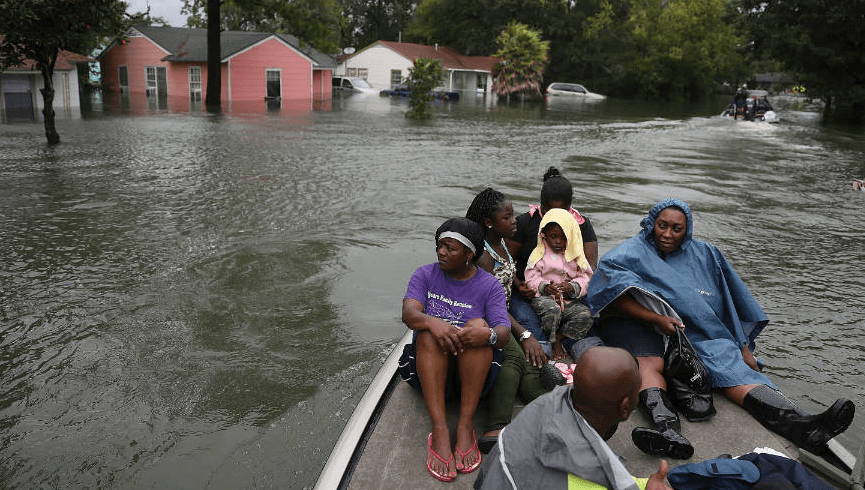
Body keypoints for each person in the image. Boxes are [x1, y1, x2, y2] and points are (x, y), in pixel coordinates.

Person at [584, 198, 855, 460]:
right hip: (642, 325)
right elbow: (610, 294)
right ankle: (666, 429)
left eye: (676, 229)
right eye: (662, 225)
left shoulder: (706, 255)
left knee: (729, 364)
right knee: (648, 362)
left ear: (686, 230)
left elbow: (728, 302)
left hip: (696, 331)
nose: (667, 234)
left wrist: (743, 346)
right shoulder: (630, 253)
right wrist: (655, 319)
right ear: (651, 223)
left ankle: (800, 423)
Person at [399, 217, 511, 481]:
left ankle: (464, 425)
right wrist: (432, 322)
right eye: (440, 245)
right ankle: (439, 429)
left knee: (478, 327)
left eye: (450, 248)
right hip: (428, 373)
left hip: (471, 376)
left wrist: (487, 334)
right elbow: (409, 313)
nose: (441, 251)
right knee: (427, 335)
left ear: (469, 254)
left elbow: (503, 334)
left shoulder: (490, 285)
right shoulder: (425, 274)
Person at [473, 346, 674, 490]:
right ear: (624, 407)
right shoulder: (586, 477)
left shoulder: (544, 405)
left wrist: (642, 484)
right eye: (636, 392)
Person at [465, 188, 550, 454]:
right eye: (508, 216)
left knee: (530, 365)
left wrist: (517, 283)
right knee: (514, 356)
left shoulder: (500, 242)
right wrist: (524, 334)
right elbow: (492, 302)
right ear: (490, 222)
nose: (515, 221)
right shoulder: (483, 256)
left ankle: (550, 410)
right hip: (487, 317)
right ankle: (495, 427)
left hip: (505, 311)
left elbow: (506, 269)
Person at [509, 166, 599, 359]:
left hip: (570, 295)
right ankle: (546, 349)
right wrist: (522, 285)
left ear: (569, 208)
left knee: (590, 316)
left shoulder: (581, 226)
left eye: (561, 211)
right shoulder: (525, 223)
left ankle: (565, 340)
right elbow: (506, 261)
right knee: (533, 323)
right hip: (531, 292)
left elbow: (589, 270)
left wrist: (573, 287)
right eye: (549, 210)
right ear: (541, 205)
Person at [525, 208, 594, 361]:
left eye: (563, 238)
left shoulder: (576, 254)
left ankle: (560, 336)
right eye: (553, 237)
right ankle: (552, 341)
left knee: (586, 315)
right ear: (544, 235)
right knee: (553, 310)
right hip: (545, 298)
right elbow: (530, 277)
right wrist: (544, 286)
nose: (558, 241)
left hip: (568, 301)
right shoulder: (539, 254)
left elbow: (587, 277)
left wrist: (573, 287)